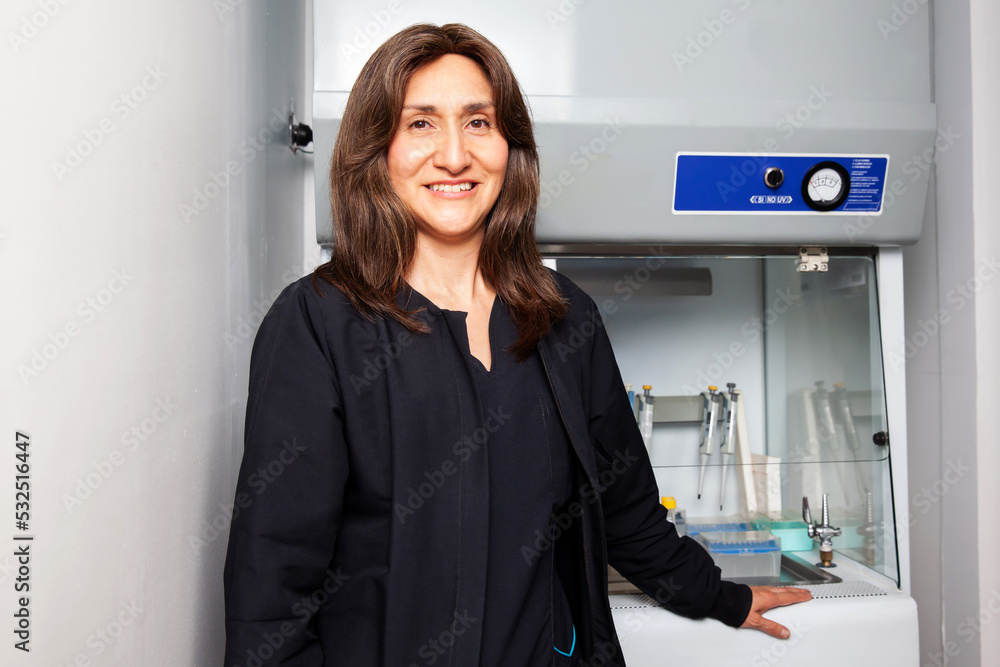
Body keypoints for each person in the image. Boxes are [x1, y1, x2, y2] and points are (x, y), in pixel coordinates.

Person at [223, 22, 811, 667]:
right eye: (420, 123)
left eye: (479, 122)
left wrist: (720, 597)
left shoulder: (564, 319)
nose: (454, 155)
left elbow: (627, 510)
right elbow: (273, 578)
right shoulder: (318, 322)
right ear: (377, 149)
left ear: (511, 148)